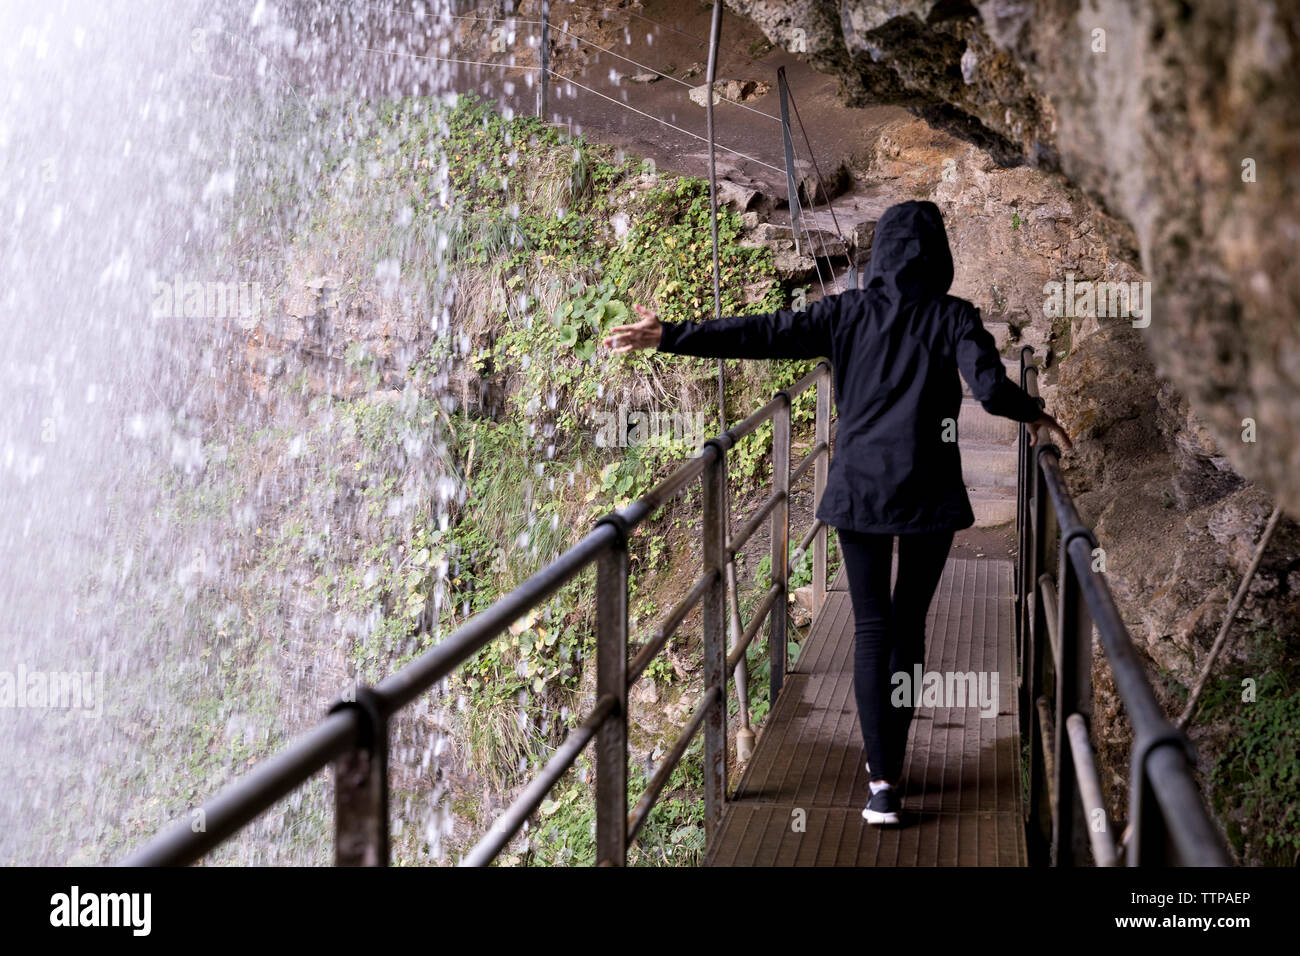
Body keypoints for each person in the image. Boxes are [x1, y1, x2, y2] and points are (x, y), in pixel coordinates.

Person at [603, 199, 1071, 826]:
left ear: (879, 256)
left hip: (859, 494)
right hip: (928, 496)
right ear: (940, 257)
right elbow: (988, 388)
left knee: (873, 627)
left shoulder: (846, 313)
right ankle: (894, 762)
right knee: (909, 627)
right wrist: (1034, 415)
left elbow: (764, 334)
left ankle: (883, 785)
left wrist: (671, 335)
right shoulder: (954, 317)